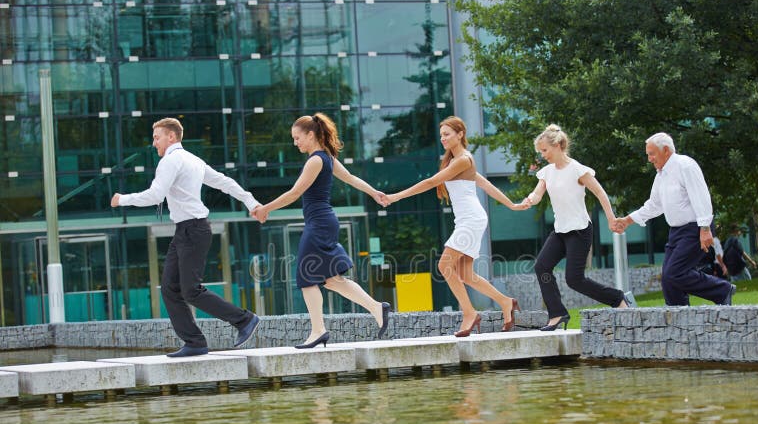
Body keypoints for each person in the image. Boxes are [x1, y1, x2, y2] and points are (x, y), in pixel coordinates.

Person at [111, 118, 261, 357]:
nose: (154, 143)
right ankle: (195, 342)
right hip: (187, 231)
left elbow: (156, 195)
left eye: (157, 137)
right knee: (170, 288)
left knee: (191, 290)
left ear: (171, 137)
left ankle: (244, 320)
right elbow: (225, 182)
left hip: (193, 230)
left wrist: (123, 199)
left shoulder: (170, 160)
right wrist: (251, 201)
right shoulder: (193, 160)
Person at [251, 113, 389, 349]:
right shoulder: (327, 158)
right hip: (324, 222)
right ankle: (377, 308)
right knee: (332, 280)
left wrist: (266, 209)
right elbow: (350, 178)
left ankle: (318, 330)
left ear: (310, 134)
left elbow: (295, 193)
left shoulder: (316, 160)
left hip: (319, 224)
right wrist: (374, 192)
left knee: (306, 277)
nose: (295, 143)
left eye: (297, 138)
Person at [384, 116, 526, 337]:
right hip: (467, 219)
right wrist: (511, 204)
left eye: (447, 134)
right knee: (466, 274)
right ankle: (505, 301)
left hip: (471, 219)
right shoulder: (457, 160)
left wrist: (396, 196)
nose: (443, 138)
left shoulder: (464, 160)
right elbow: (485, 184)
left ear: (460, 135)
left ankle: (469, 313)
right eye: (441, 135)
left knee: (445, 266)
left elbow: (431, 182)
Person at [522, 124, 632, 331]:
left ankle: (617, 298)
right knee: (542, 266)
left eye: (544, 150)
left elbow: (600, 193)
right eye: (540, 151)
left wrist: (610, 219)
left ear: (557, 145)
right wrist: (529, 200)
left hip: (580, 231)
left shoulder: (577, 169)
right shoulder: (547, 172)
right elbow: (538, 194)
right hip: (560, 231)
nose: (542, 155)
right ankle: (557, 313)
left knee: (574, 279)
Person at [613, 132, 736, 305]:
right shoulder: (660, 175)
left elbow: (701, 196)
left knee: (674, 273)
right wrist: (627, 220)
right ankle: (678, 314)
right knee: (668, 278)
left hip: (695, 228)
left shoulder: (685, 165)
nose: (649, 159)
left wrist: (705, 228)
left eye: (651, 154)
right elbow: (654, 205)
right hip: (676, 232)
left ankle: (722, 290)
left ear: (665, 150)